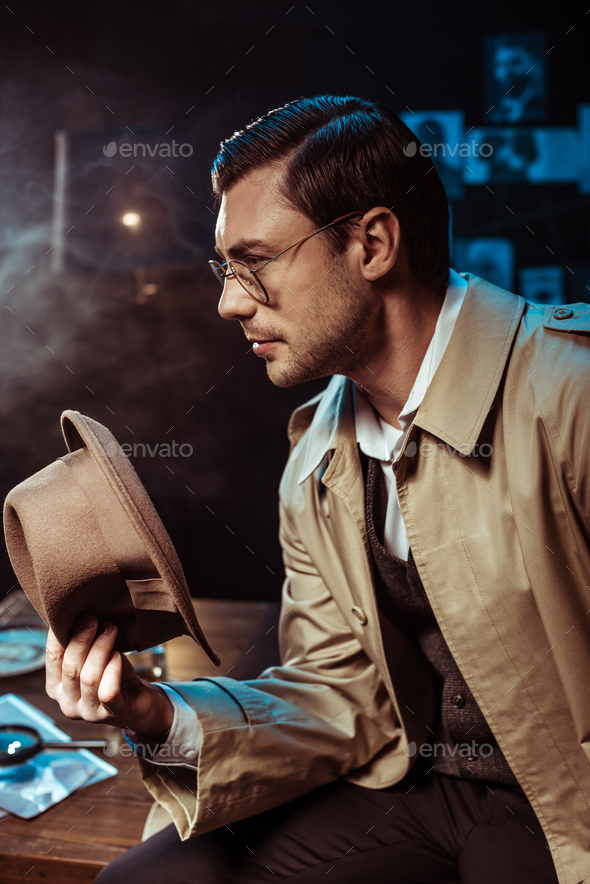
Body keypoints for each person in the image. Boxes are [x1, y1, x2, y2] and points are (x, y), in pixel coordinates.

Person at [45, 95, 590, 884]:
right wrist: (155, 714)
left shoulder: (569, 394)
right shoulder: (316, 452)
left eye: (255, 261)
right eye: (224, 269)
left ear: (372, 243)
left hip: (564, 811)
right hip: (419, 783)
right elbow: (342, 694)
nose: (230, 301)